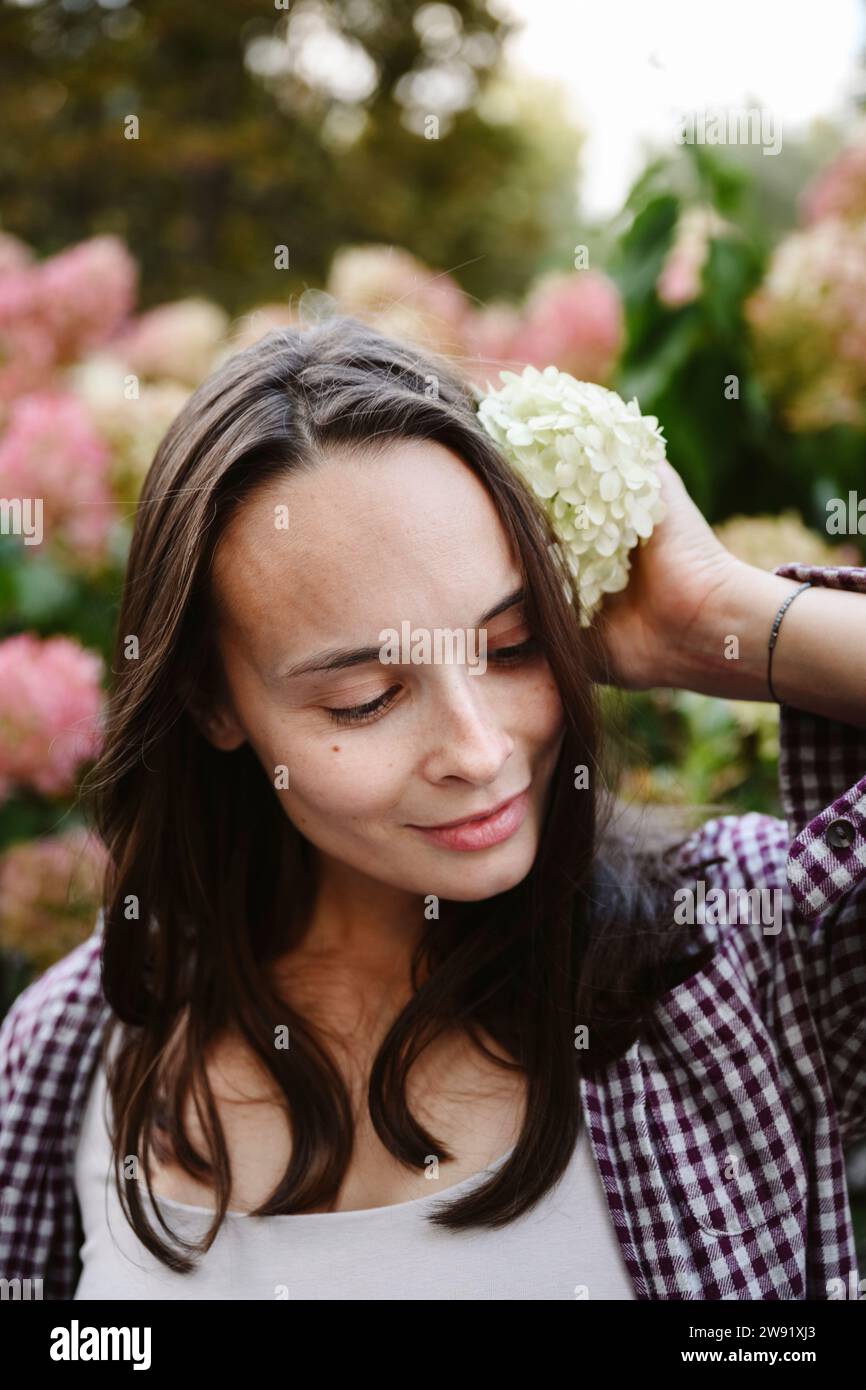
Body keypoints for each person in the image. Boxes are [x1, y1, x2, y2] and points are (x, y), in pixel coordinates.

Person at [0, 316, 864, 1300]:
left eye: (512, 645)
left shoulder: (736, 954)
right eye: (364, 698)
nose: (479, 749)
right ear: (211, 700)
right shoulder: (73, 1048)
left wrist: (727, 620)